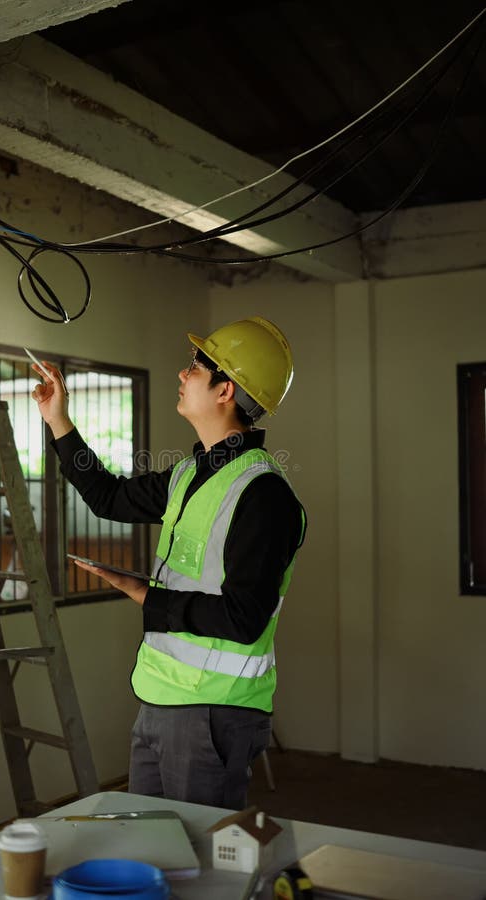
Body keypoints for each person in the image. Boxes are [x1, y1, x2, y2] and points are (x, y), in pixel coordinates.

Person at [31, 316, 306, 810]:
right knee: (157, 858)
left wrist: (145, 594)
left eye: (194, 368)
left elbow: (244, 620)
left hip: (214, 712)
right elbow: (108, 497)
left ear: (226, 391)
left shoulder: (264, 496)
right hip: (160, 699)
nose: (183, 375)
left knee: (202, 873)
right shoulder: (190, 473)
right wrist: (58, 421)